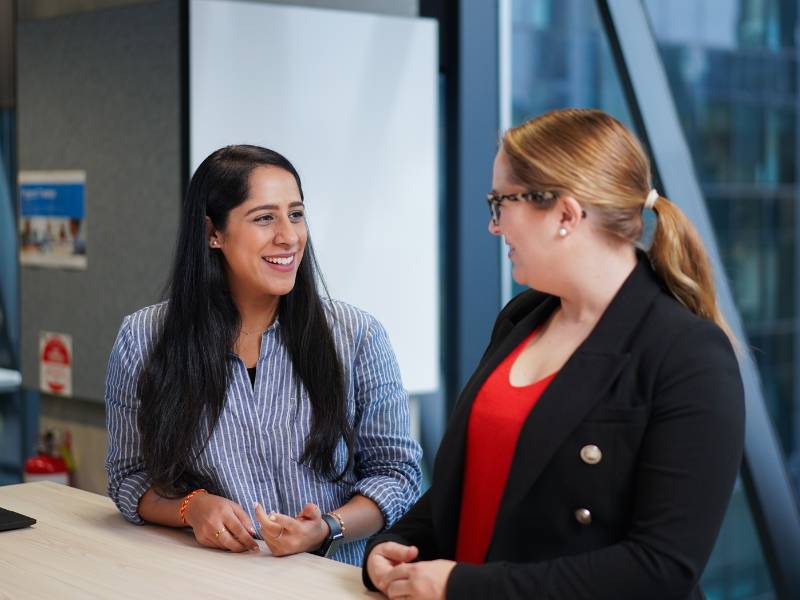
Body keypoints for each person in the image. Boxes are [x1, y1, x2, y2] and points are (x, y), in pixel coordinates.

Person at [363, 108, 745, 599]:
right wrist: (398, 542)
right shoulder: (522, 317)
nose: (494, 227)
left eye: (501, 202)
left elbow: (660, 568)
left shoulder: (688, 354)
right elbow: (480, 473)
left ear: (565, 214)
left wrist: (464, 586)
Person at [105, 144, 422, 566]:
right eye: (264, 218)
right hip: (206, 582)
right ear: (212, 233)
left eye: (296, 214)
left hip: (329, 583)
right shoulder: (143, 339)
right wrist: (192, 506)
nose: (289, 236)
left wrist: (326, 526)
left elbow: (397, 475)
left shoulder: (356, 335)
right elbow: (129, 477)